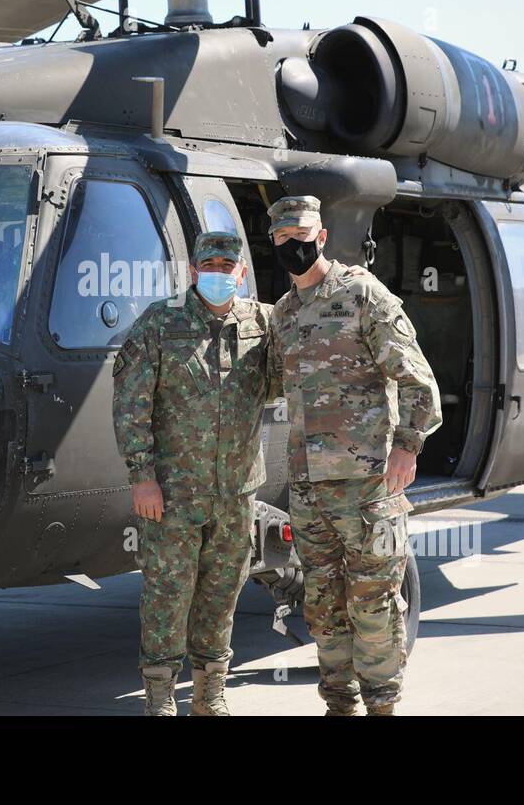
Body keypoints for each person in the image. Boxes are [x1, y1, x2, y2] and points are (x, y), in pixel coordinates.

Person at [266, 195, 441, 715]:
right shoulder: (284, 314)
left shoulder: (362, 294)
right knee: (321, 605)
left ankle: (383, 706)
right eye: (283, 240)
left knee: (374, 604)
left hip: (368, 486)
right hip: (309, 490)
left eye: (302, 238)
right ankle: (339, 706)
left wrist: (407, 447)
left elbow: (417, 380)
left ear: (320, 237)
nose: (293, 248)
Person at [112, 231, 278, 715]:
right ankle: (160, 696)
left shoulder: (261, 324)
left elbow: (287, 378)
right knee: (167, 593)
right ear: (192, 272)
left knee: (222, 593)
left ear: (242, 274)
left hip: (235, 493)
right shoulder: (159, 324)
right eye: (211, 266)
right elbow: (130, 405)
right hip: (172, 493)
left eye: (229, 267)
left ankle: (210, 694)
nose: (219, 274)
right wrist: (141, 475)